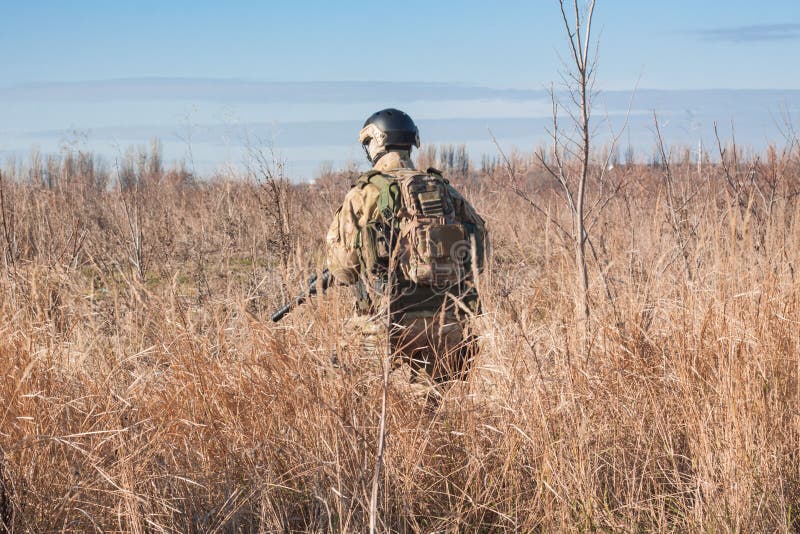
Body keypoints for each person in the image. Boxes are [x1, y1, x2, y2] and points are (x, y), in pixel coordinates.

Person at [326, 109, 487, 387]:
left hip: (385, 320)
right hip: (446, 319)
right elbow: (479, 255)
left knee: (366, 399)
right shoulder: (444, 190)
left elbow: (344, 269)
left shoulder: (365, 194)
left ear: (376, 142)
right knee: (431, 403)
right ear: (411, 144)